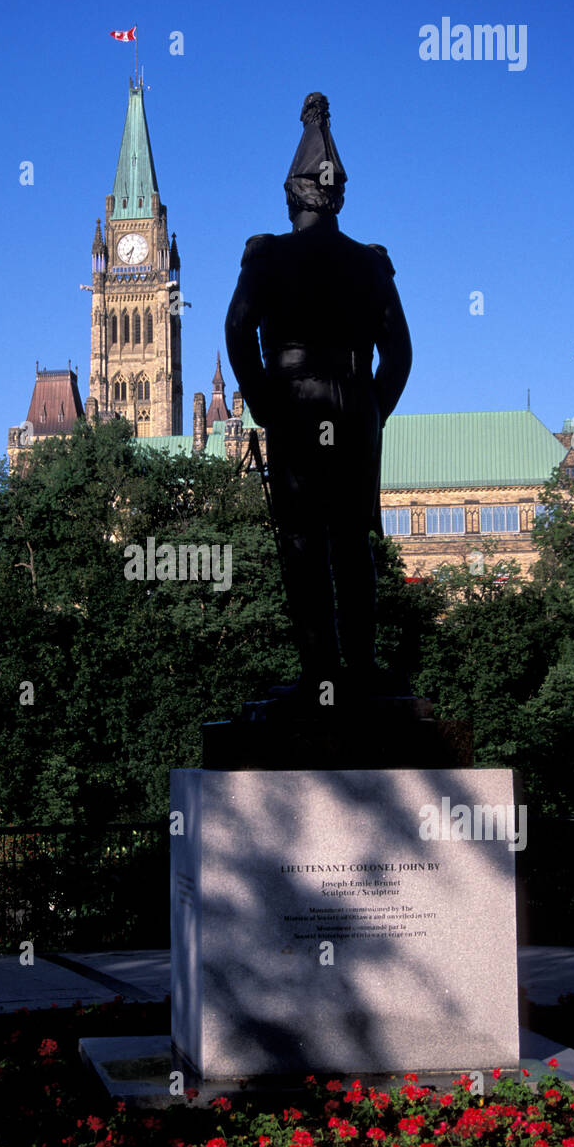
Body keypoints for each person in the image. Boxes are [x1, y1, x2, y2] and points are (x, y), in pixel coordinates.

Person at [225, 92, 412, 705]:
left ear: (291, 195)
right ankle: (361, 669)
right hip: (353, 403)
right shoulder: (369, 262)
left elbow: (236, 330)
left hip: (295, 405)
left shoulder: (269, 255)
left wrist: (261, 401)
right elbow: (401, 353)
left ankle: (321, 675)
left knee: (303, 540)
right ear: (335, 196)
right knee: (352, 541)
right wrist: (372, 410)